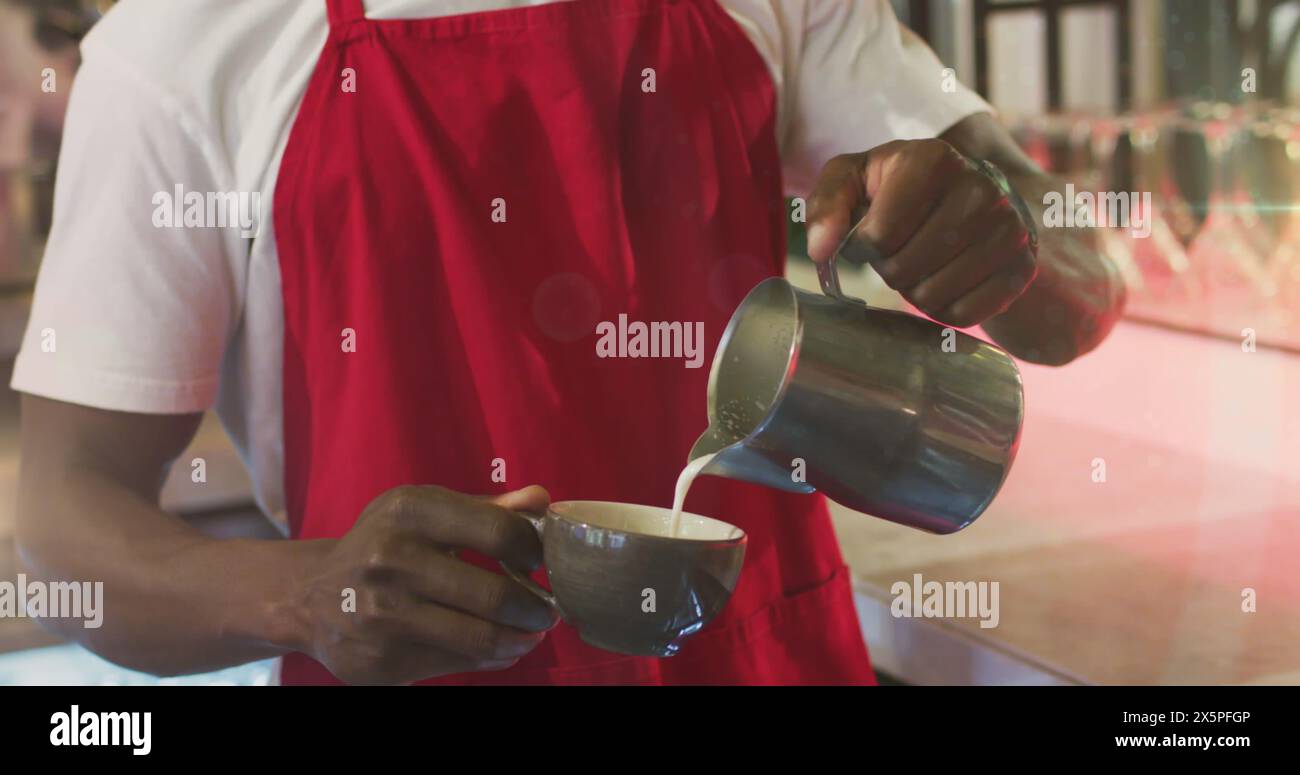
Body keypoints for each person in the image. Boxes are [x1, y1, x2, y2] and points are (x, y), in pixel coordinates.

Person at [12, 0, 1124, 685]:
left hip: (762, 661)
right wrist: (299, 596)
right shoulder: (180, 45)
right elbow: (67, 518)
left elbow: (1080, 284)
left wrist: (1002, 235)